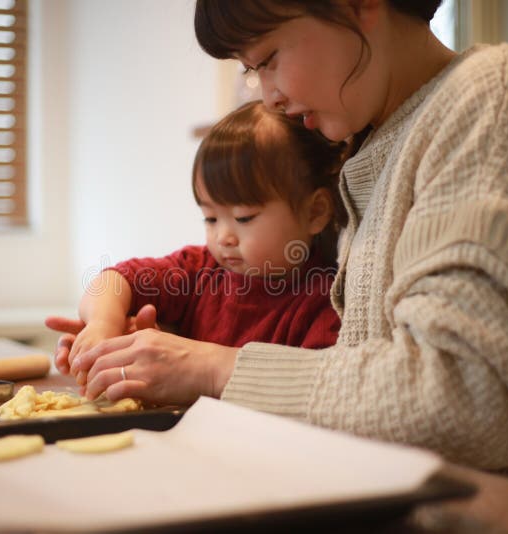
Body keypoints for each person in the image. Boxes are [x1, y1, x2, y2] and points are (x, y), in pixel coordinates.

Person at [50, 0, 508, 506]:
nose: (267, 95)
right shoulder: (376, 142)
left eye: (269, 58)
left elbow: (470, 396)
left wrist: (208, 366)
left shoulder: (491, 99)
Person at [51, 100, 346, 393]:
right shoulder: (198, 269)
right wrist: (102, 327)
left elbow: (312, 392)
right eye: (211, 218)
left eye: (244, 217)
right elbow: (113, 281)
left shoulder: (325, 302)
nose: (223, 237)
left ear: (314, 213)